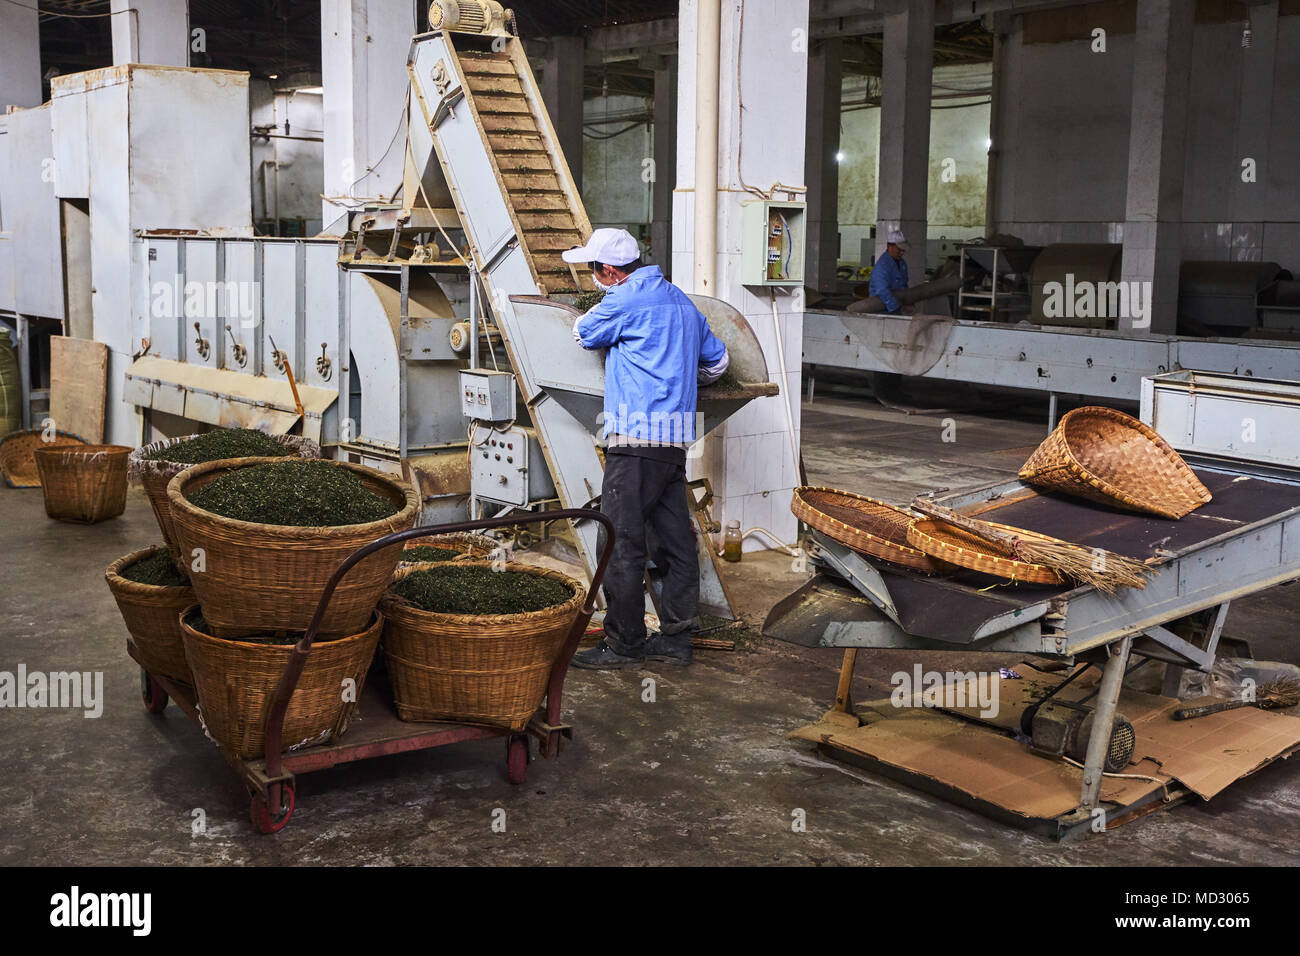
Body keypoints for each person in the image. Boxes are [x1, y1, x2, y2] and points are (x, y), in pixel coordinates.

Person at [562, 228, 730, 669]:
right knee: (675, 539)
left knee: (618, 541)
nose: (593, 278)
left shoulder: (622, 300)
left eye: (593, 270)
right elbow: (717, 362)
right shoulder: (681, 302)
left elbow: (582, 332)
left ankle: (624, 643)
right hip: (675, 438)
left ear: (611, 271)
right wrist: (679, 379)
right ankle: (676, 641)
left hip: (635, 440)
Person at [868, 229, 913, 314]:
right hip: (881, 309)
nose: (902, 252)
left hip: (896, 306)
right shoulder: (882, 265)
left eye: (903, 249)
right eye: (899, 249)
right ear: (889, 247)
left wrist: (909, 302)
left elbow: (904, 285)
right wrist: (896, 308)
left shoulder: (902, 263)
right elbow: (882, 291)